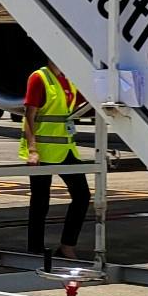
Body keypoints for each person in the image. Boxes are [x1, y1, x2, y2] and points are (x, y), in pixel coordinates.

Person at [22, 58, 91, 260]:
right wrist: (32, 149)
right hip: (43, 151)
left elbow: (80, 103)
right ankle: (34, 249)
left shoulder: (68, 80)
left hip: (67, 149)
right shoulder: (39, 77)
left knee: (82, 195)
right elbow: (29, 115)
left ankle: (67, 245)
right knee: (40, 201)